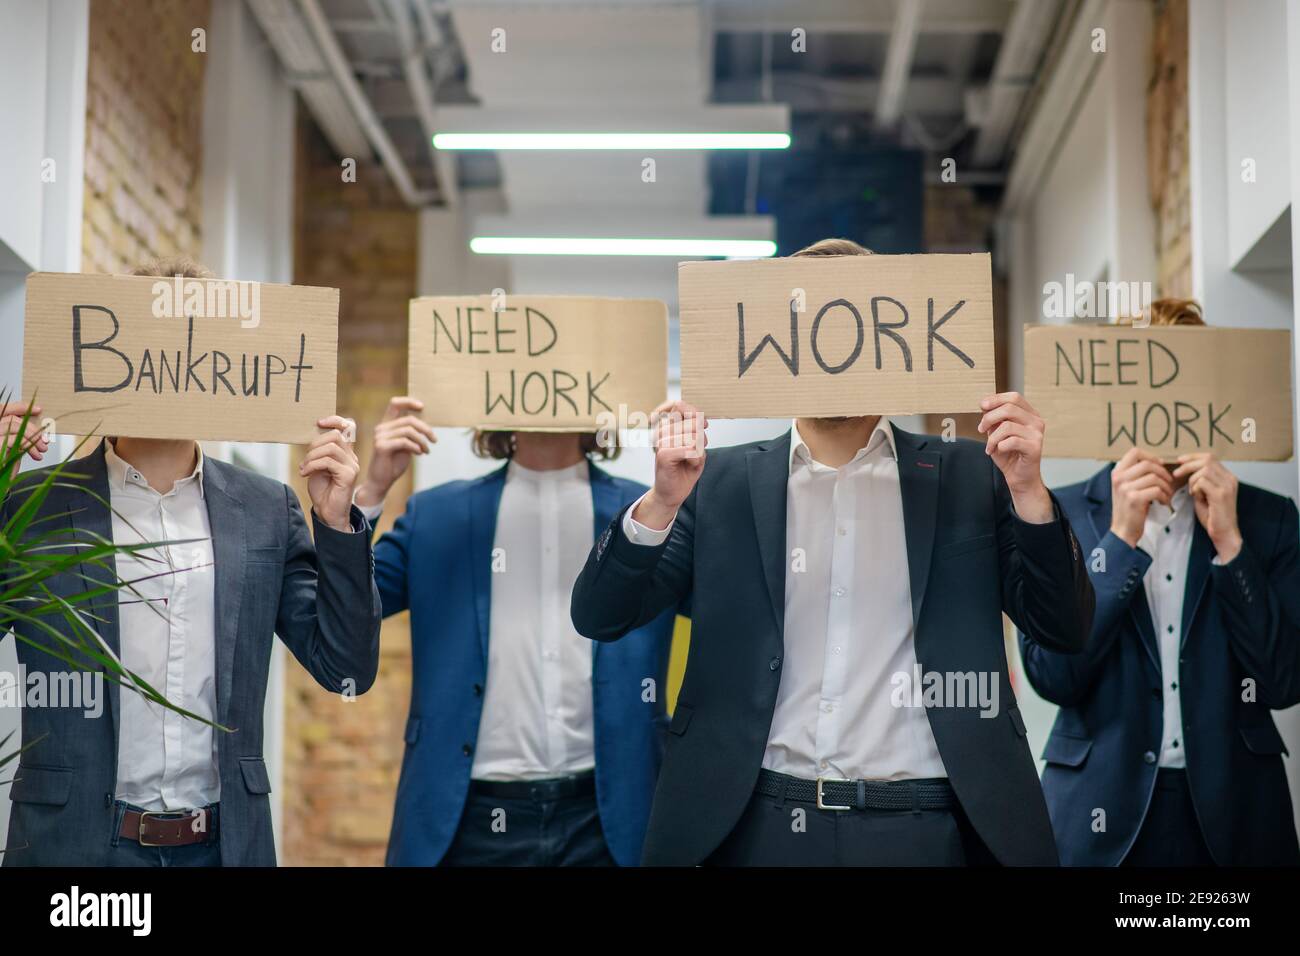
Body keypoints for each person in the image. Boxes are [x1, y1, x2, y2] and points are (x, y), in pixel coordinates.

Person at [569, 238, 1094, 866]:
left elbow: (1063, 627)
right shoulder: (716, 484)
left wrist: (1031, 493)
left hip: (931, 826)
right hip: (752, 823)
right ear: (781, 344)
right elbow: (599, 616)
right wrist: (659, 502)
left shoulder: (970, 476)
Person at [1, 256, 381, 867]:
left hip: (222, 846)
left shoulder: (265, 509)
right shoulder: (37, 504)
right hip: (74, 848)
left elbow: (346, 669)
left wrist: (337, 524)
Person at [1020, 298, 1300, 866]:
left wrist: (1232, 546)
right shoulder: (1063, 515)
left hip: (1237, 817)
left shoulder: (1270, 520)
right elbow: (1053, 675)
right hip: (1099, 813)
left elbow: (1284, 682)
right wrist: (1121, 540)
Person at [357, 398, 675, 866]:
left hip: (612, 818)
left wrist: (689, 483)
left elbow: (731, 606)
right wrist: (372, 490)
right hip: (467, 819)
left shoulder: (650, 514)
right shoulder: (436, 515)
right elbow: (343, 609)